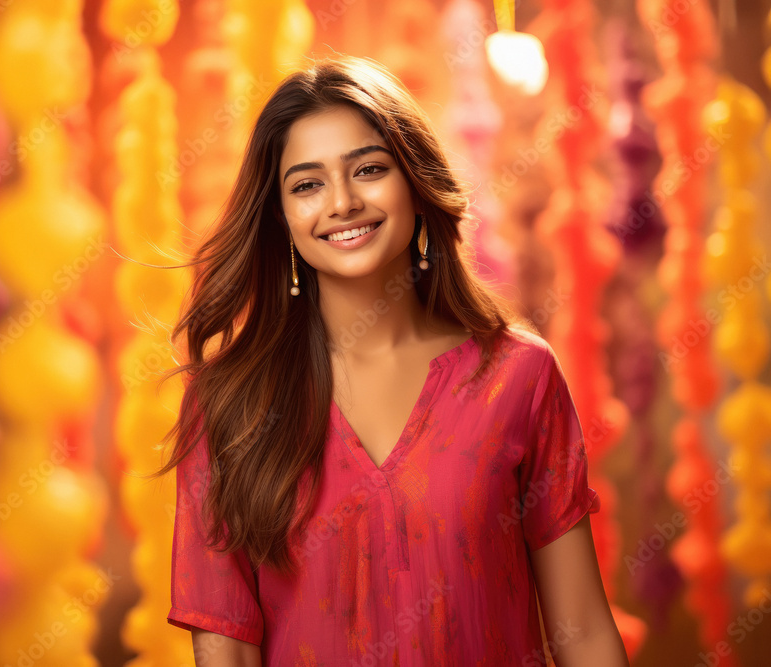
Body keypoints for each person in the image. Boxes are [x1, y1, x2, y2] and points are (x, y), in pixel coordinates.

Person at [147, 54, 630, 666]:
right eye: (307, 184)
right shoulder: (229, 405)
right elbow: (229, 654)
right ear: (281, 217)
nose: (342, 202)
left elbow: (582, 633)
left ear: (415, 183)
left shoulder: (516, 377)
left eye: (369, 169)